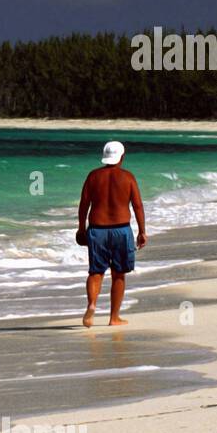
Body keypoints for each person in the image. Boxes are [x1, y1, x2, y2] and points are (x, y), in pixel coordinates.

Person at [77, 140, 146, 327]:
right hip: (121, 230)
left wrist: (81, 228)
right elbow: (137, 205)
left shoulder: (93, 176)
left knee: (95, 272)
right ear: (122, 157)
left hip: (97, 230)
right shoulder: (128, 177)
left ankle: (91, 304)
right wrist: (142, 231)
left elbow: (84, 205)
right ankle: (114, 317)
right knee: (118, 274)